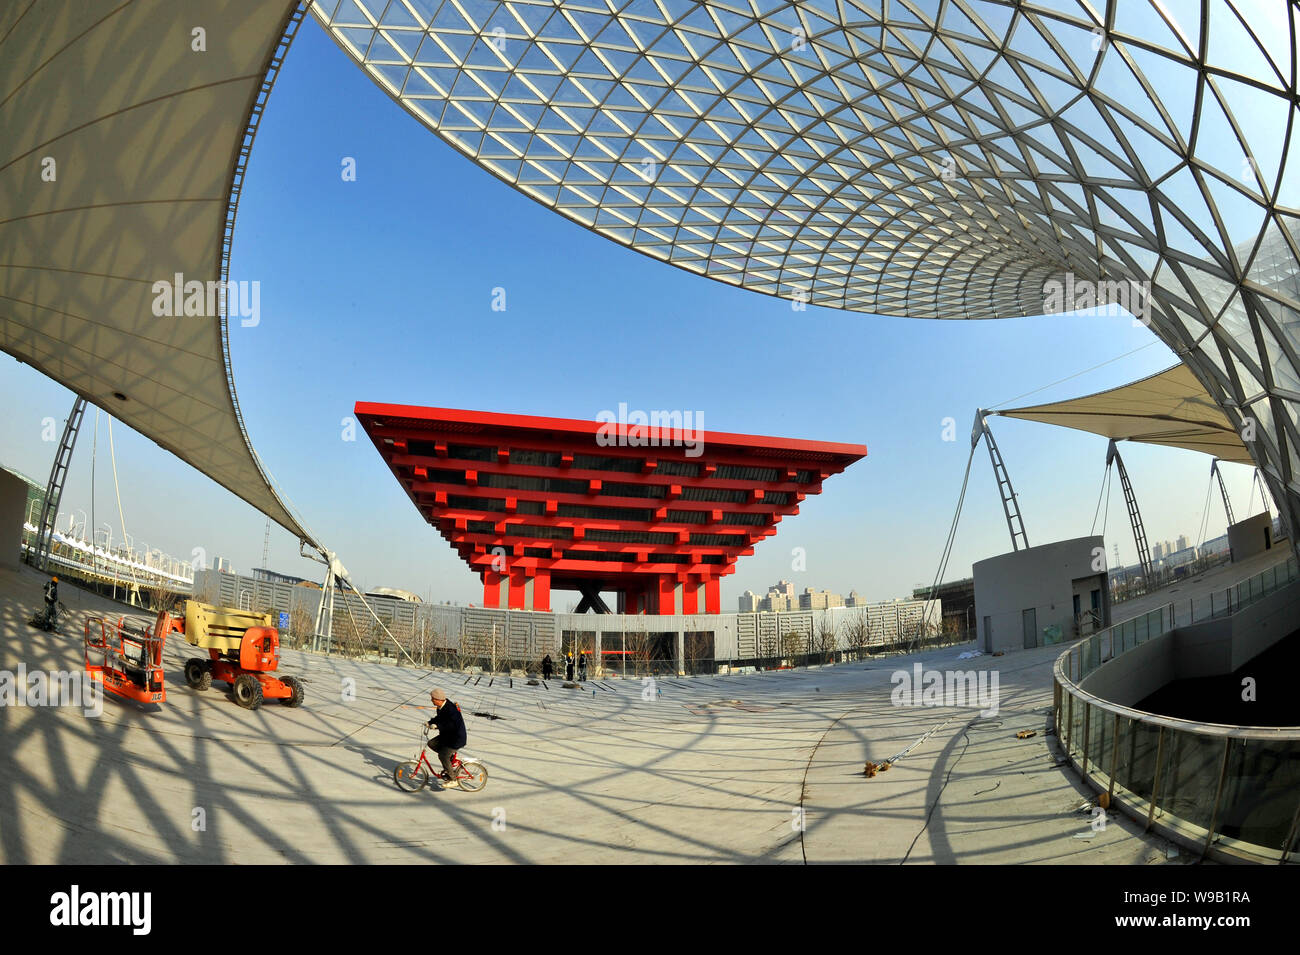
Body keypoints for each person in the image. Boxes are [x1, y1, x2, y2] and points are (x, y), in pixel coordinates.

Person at [425, 688, 467, 784]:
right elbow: (439, 718)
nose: (431, 700)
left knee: (443, 755)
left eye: (432, 699)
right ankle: (450, 760)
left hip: (456, 739)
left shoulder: (451, 709)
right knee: (431, 743)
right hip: (447, 736)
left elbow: (451, 725)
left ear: (438, 699)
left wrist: (437, 726)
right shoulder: (441, 707)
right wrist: (430, 722)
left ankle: (453, 779)